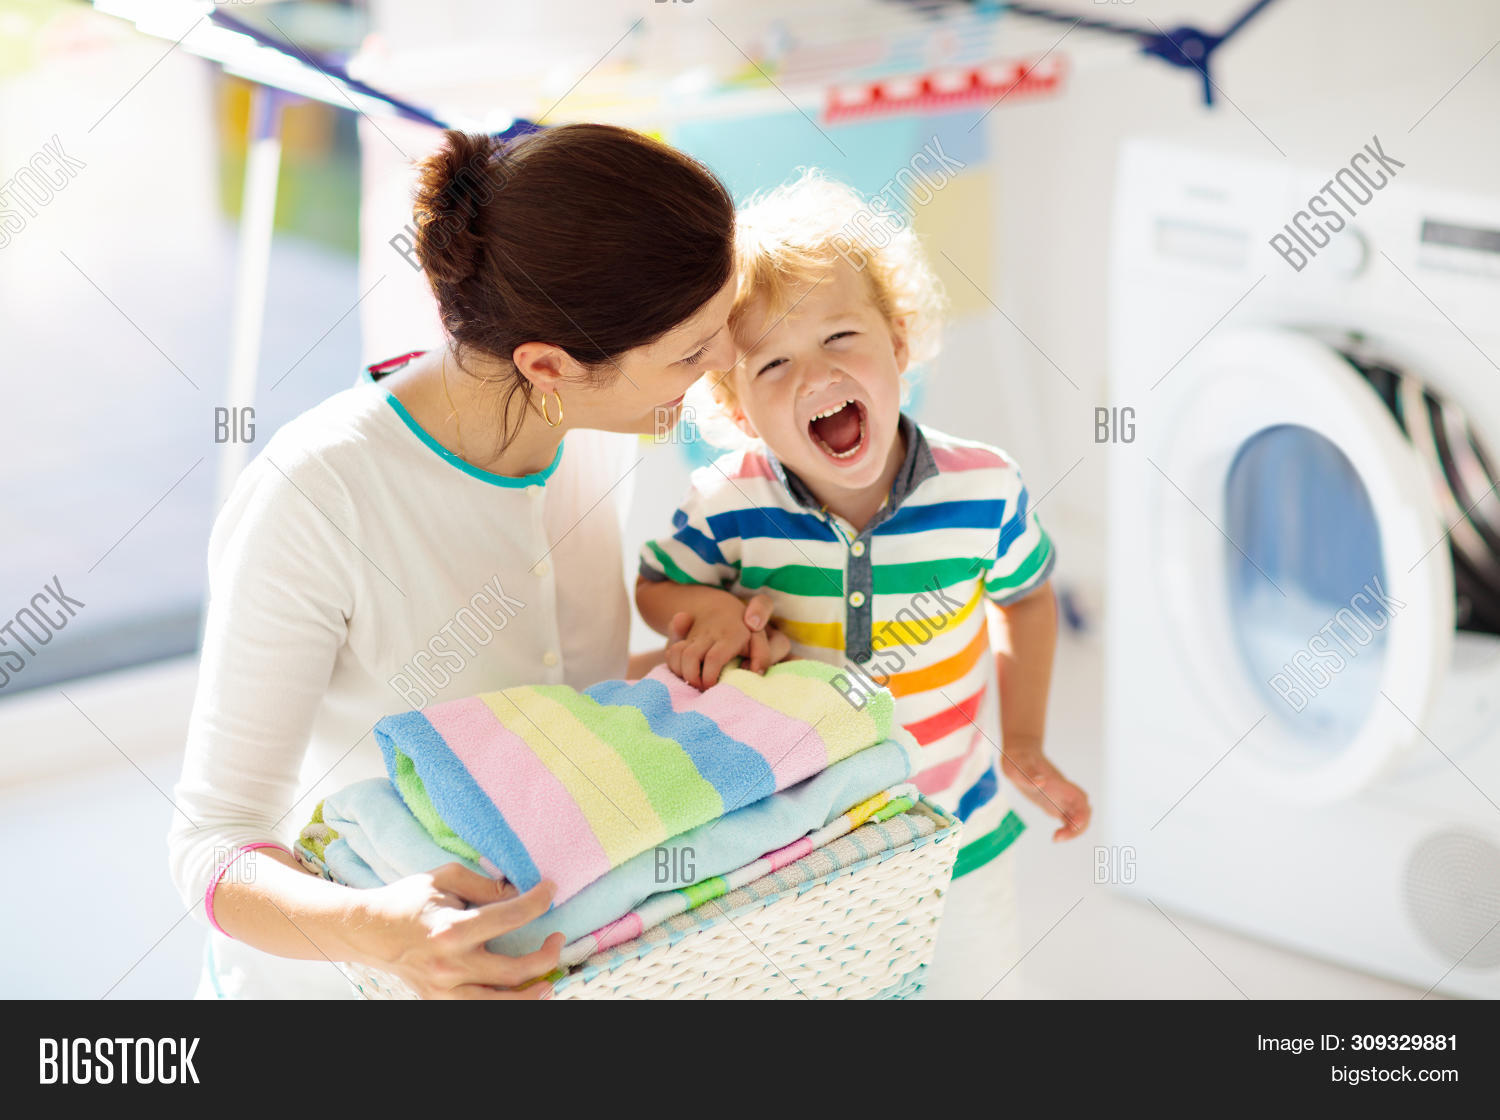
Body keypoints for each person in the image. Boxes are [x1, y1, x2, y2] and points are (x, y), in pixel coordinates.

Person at [166, 124, 785, 999]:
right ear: (548, 365)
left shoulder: (598, 425)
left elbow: (542, 702)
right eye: (691, 351)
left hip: (554, 952)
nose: (725, 361)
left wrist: (697, 659)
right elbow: (212, 842)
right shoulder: (316, 498)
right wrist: (384, 932)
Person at [635, 171, 1091, 996]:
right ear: (738, 408)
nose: (814, 376)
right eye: (772, 362)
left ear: (900, 343)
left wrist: (1023, 740)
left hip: (955, 825)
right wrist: (709, 608)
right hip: (803, 842)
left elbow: (1026, 596)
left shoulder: (983, 490)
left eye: (841, 337)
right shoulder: (731, 499)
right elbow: (655, 586)